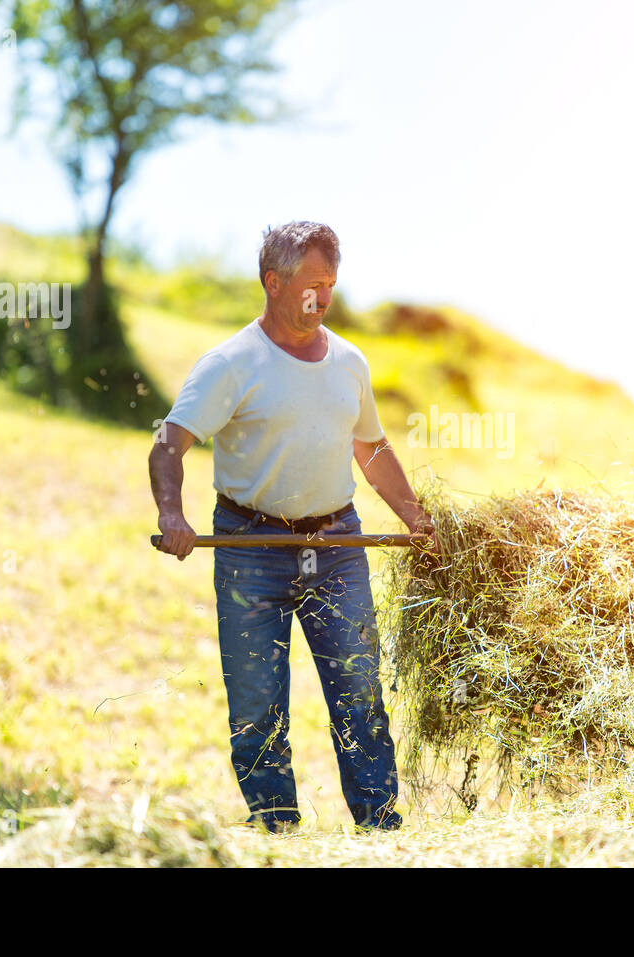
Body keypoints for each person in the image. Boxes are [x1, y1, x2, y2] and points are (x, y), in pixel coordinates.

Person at [147, 221, 433, 832]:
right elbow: (169, 443)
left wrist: (415, 516)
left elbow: (372, 449)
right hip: (253, 548)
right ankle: (277, 829)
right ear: (272, 283)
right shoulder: (230, 364)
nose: (322, 298)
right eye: (310, 284)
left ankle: (379, 825)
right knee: (257, 705)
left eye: (329, 285)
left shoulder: (350, 363)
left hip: (338, 546)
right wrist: (172, 514)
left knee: (360, 693)